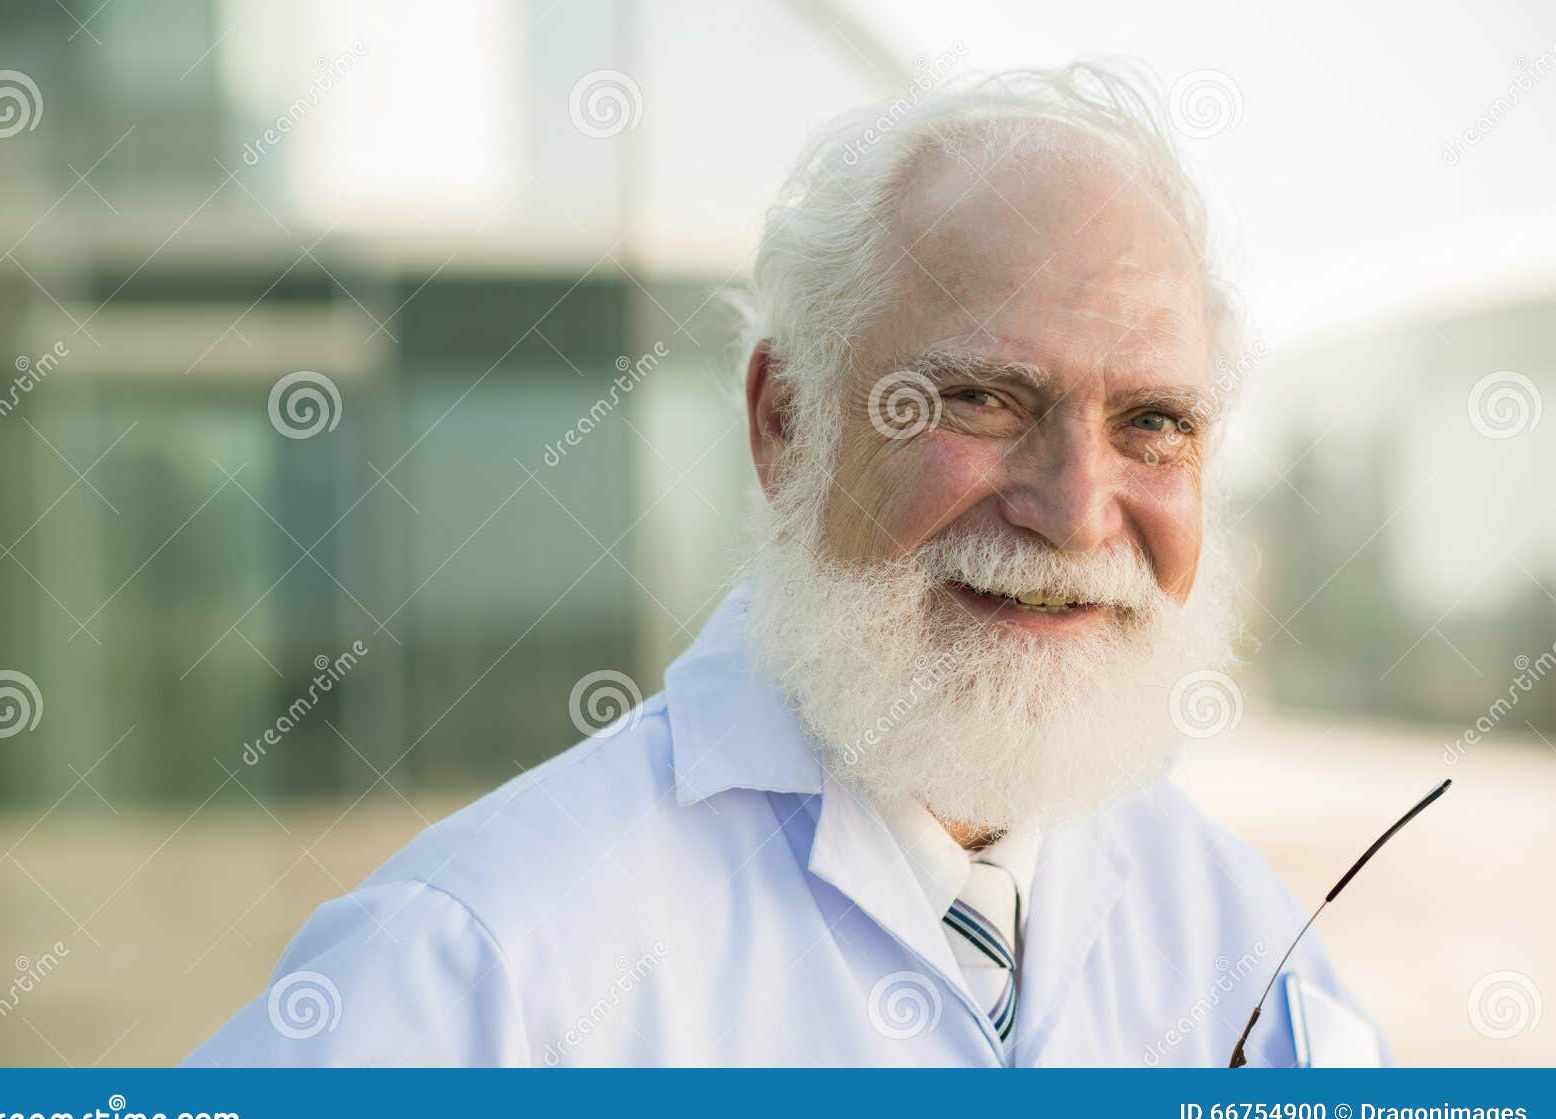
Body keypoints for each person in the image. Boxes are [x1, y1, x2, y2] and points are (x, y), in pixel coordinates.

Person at [186, 63, 1381, 1067]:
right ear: (784, 421)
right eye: (978, 399)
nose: (1074, 513)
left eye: (1154, 425)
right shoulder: (477, 970)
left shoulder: (1249, 945)